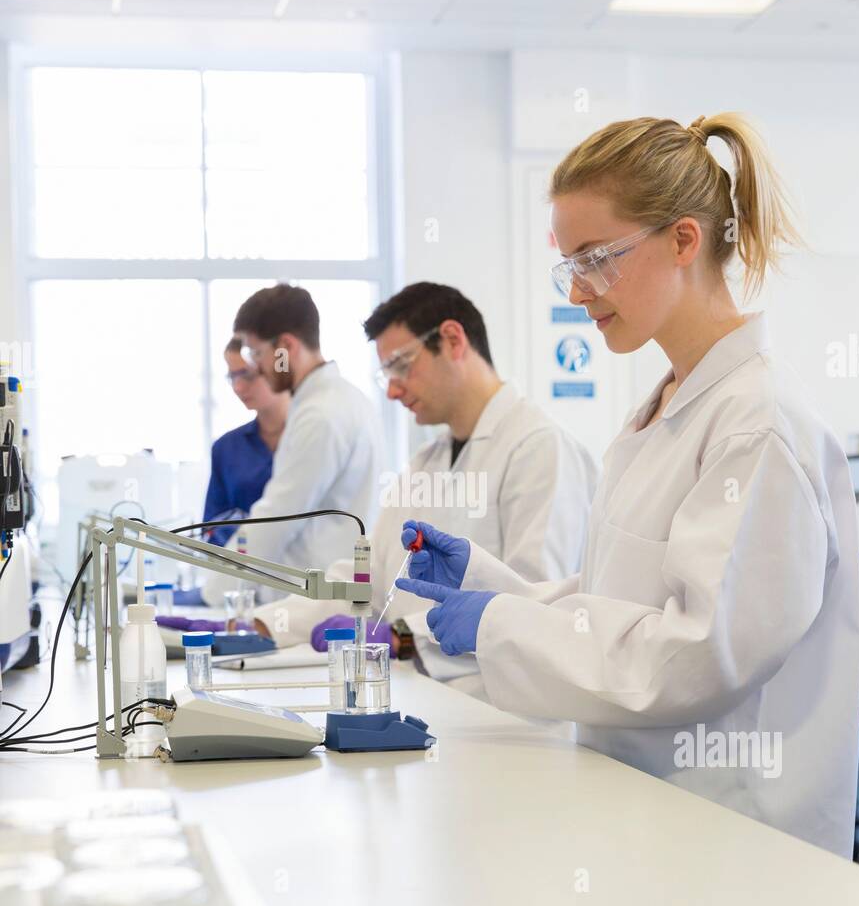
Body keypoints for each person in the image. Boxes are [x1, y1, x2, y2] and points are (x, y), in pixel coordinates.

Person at [395, 114, 859, 858]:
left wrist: (497, 627)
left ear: (684, 240)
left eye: (597, 259)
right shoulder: (668, 407)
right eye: (569, 265)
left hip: (741, 842)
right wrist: (492, 589)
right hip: (654, 815)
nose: (579, 292)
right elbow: (624, 602)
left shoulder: (757, 425)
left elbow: (697, 653)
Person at [249, 282, 597, 688]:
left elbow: (534, 603)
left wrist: (403, 636)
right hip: (427, 699)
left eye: (401, 365)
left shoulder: (540, 449)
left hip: (507, 714)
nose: (393, 390)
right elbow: (371, 580)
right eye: (386, 375)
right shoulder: (425, 462)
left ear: (452, 340)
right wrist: (262, 623)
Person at [201, 284, 383, 606]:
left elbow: (275, 520)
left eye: (257, 353)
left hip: (314, 605)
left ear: (285, 347)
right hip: (314, 599)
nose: (255, 367)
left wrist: (213, 594)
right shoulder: (343, 399)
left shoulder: (320, 415)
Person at [202, 336, 289, 547]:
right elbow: (210, 529)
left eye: (247, 375)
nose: (238, 387)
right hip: (243, 572)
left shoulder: (314, 435)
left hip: (310, 572)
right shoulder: (226, 448)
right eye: (232, 377)